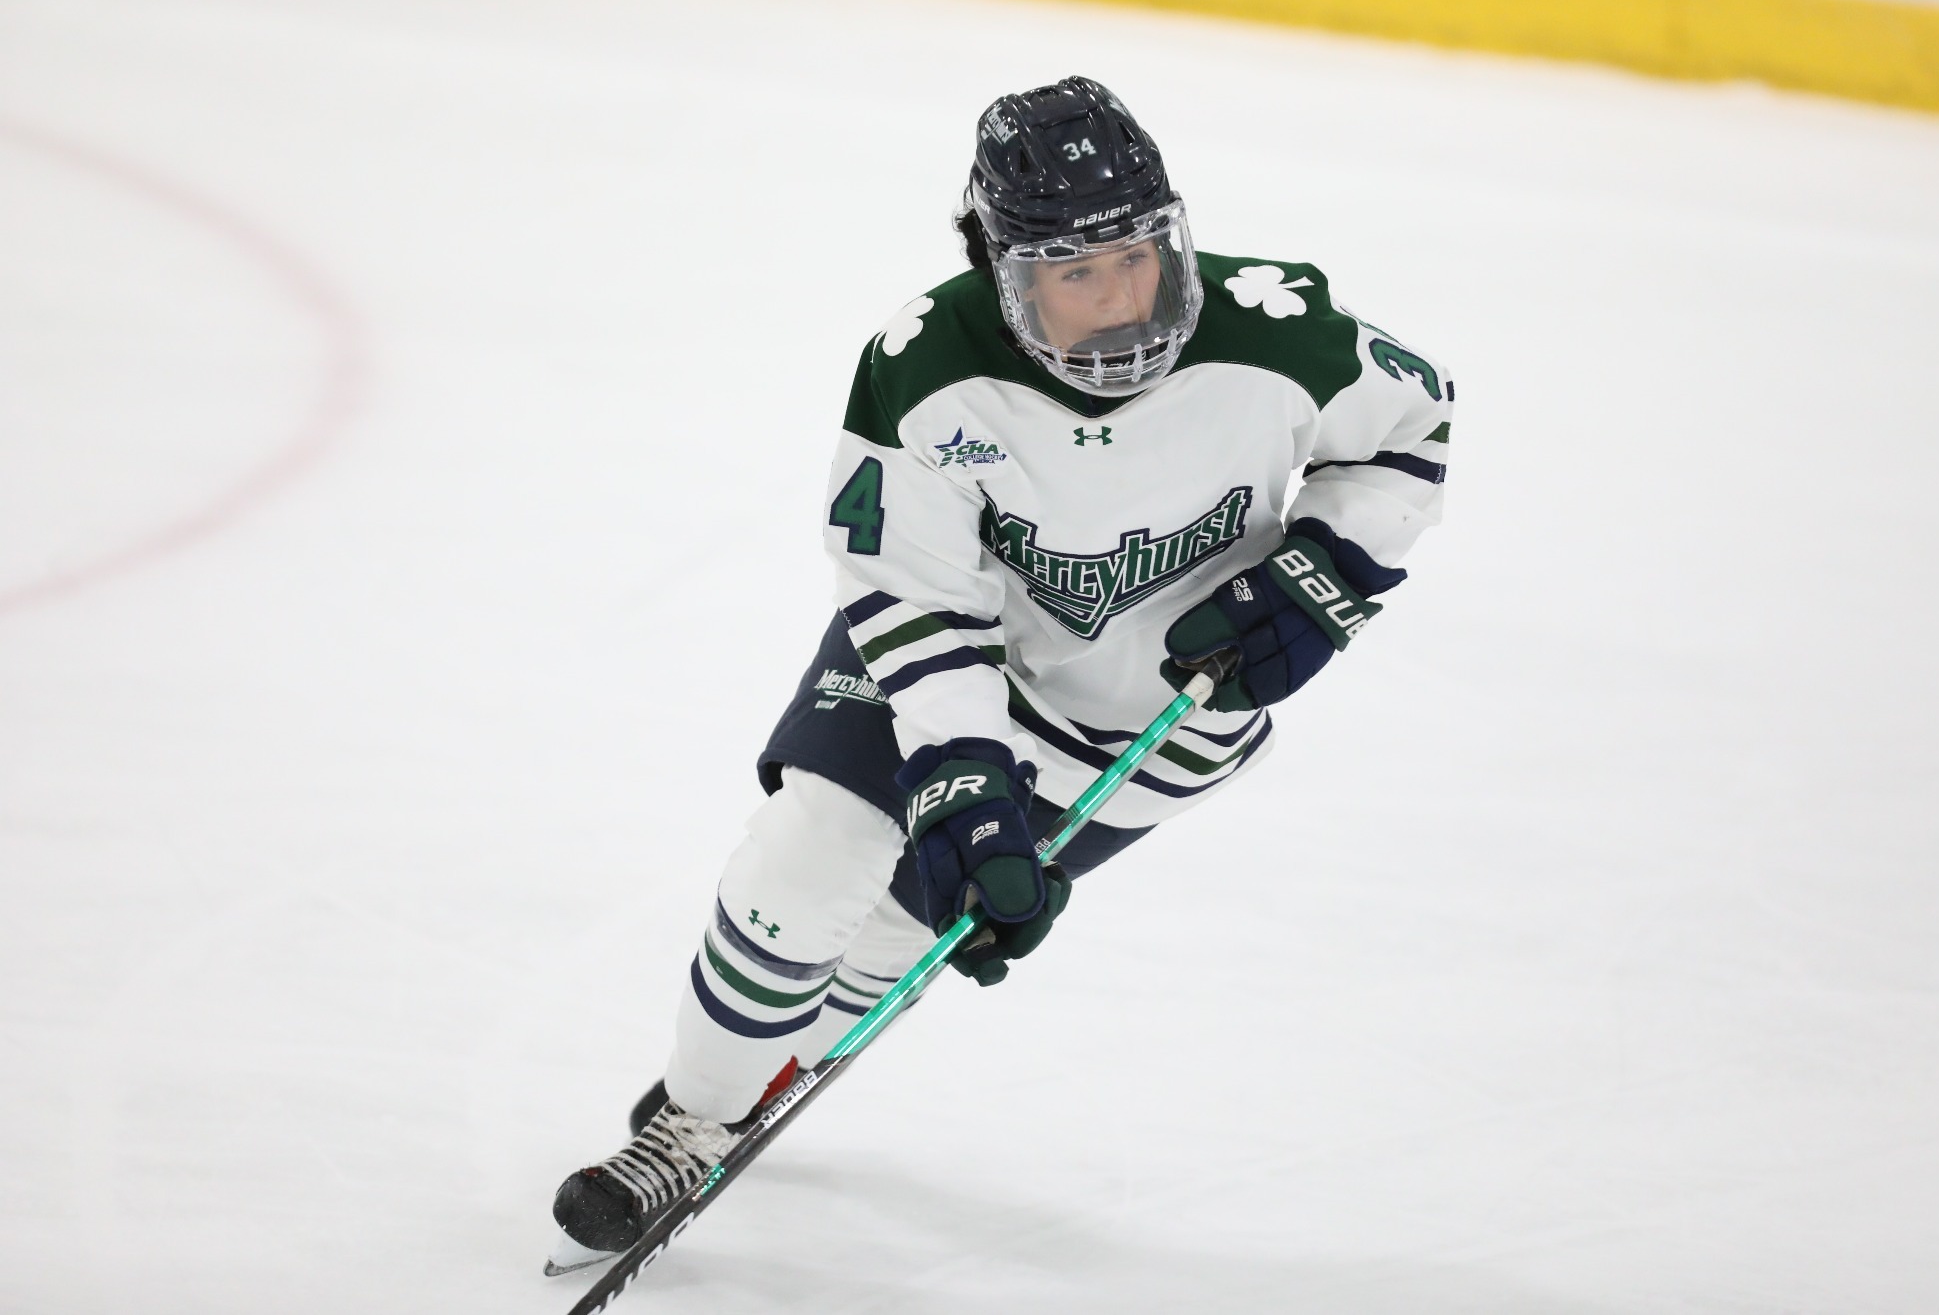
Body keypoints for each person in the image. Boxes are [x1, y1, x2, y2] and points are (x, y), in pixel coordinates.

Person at [547, 75, 1454, 1267]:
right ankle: (693, 1115)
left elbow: (1409, 429)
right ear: (1002, 269)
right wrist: (961, 761)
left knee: (913, 915)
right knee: (815, 848)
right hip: (959, 656)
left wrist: (1327, 571)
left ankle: (780, 1054)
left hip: (1163, 715)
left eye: (1135, 257)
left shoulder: (1277, 327)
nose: (1118, 299)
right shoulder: (925, 366)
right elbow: (914, 590)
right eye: (1074, 273)